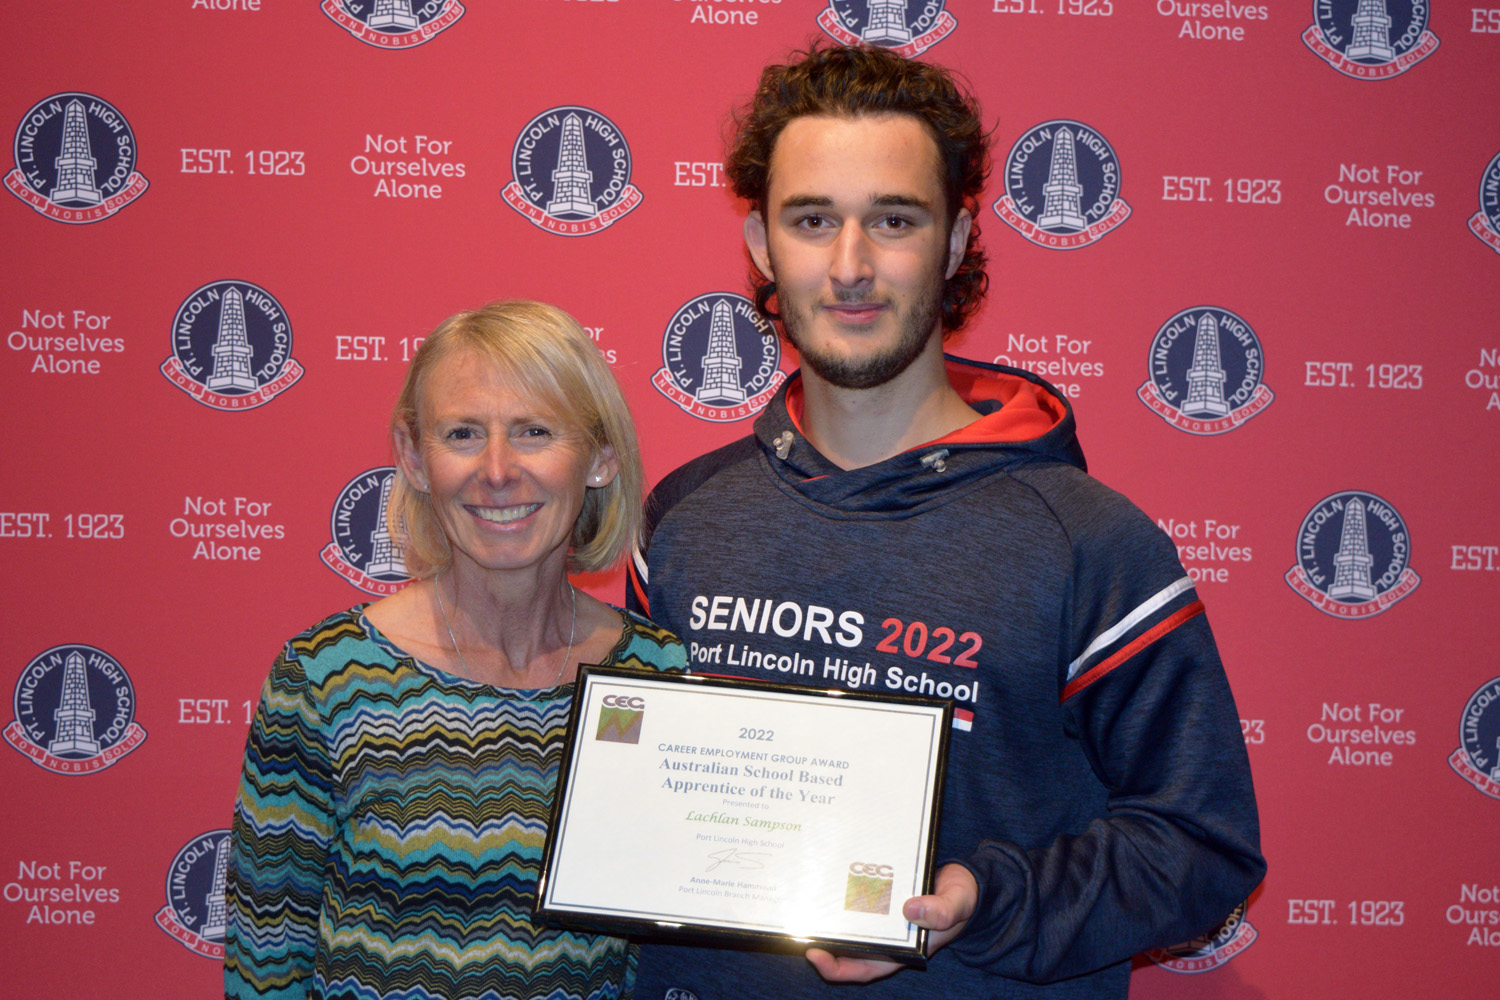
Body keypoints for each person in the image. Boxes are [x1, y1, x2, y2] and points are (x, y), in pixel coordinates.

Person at [626, 44, 1265, 999]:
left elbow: (1203, 847)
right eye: (812, 221)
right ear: (761, 245)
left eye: (893, 219)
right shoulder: (683, 518)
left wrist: (988, 898)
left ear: (958, 241)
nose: (850, 266)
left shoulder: (1090, 544)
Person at [225, 301, 686, 1000]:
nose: (498, 471)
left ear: (600, 456)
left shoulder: (659, 677)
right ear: (414, 457)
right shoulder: (326, 677)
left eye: (535, 431)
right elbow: (266, 966)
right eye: (464, 434)